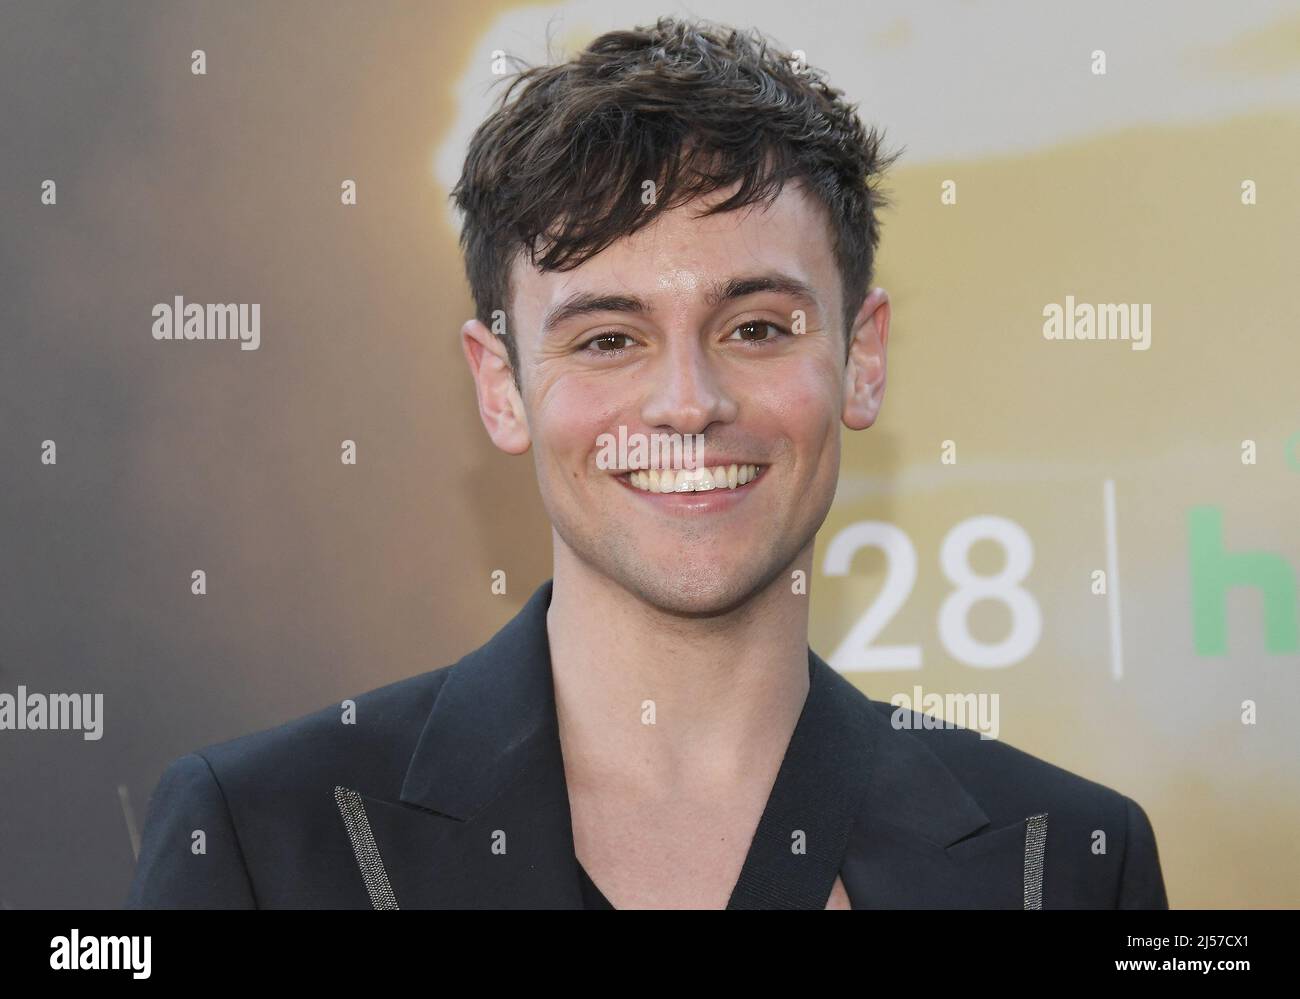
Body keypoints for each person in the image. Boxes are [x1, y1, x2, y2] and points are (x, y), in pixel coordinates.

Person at [126, 16, 1168, 909]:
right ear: (501, 386)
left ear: (861, 358)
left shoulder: (1066, 860)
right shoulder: (264, 840)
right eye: (608, 338)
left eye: (756, 328)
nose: (689, 404)